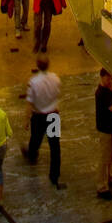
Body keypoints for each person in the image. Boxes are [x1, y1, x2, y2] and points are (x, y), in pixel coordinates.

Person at [23, 56, 63, 188]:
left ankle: (32, 154)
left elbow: (30, 102)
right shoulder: (55, 78)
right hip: (53, 115)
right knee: (55, 146)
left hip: (39, 116)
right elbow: (57, 94)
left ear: (37, 65)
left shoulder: (33, 81)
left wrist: (26, 119)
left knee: (35, 138)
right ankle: (54, 175)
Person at [94, 69, 112, 199]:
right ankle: (101, 186)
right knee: (104, 158)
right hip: (104, 129)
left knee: (110, 155)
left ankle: (108, 177)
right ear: (102, 77)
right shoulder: (101, 93)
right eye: (108, 78)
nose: (111, 81)